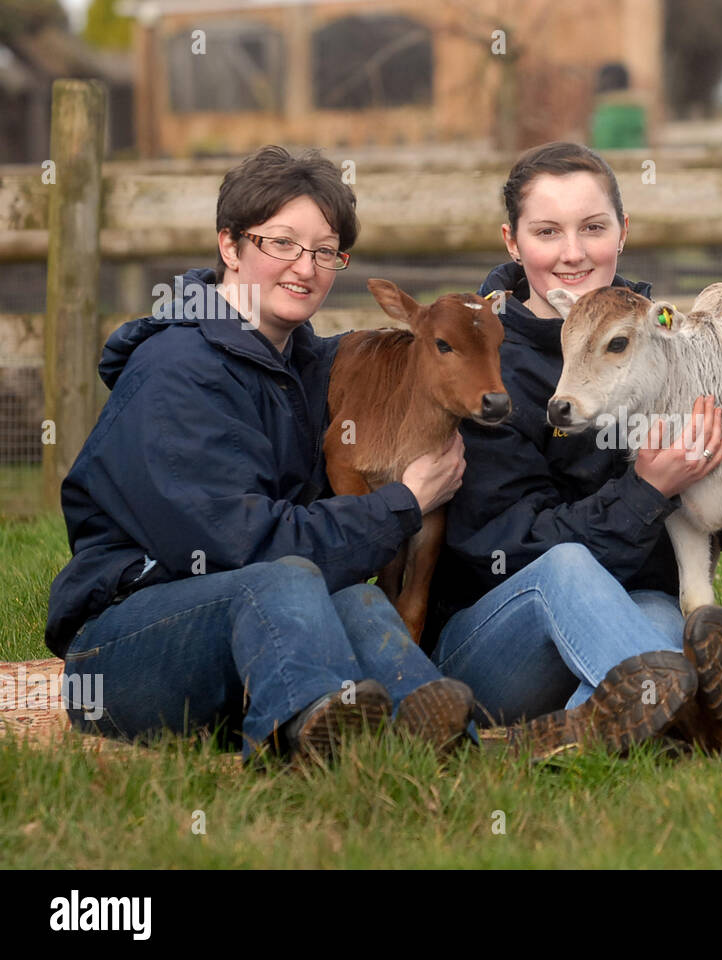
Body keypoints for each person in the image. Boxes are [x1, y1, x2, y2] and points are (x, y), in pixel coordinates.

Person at [46, 145, 476, 765]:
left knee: (354, 598)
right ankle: (306, 737)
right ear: (230, 246)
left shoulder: (303, 365)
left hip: (243, 634)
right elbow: (241, 545)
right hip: (123, 655)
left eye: (325, 251)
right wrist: (403, 505)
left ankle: (438, 734)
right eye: (282, 243)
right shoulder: (177, 373)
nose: (306, 267)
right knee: (283, 577)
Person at [424, 141, 722, 758]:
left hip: (625, 607)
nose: (573, 252)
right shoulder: (484, 362)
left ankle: (577, 735)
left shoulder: (669, 344)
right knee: (566, 567)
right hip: (498, 636)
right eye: (546, 231)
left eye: (593, 227)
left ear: (623, 231)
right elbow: (504, 547)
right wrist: (646, 490)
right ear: (512, 241)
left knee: (671, 631)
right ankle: (704, 720)